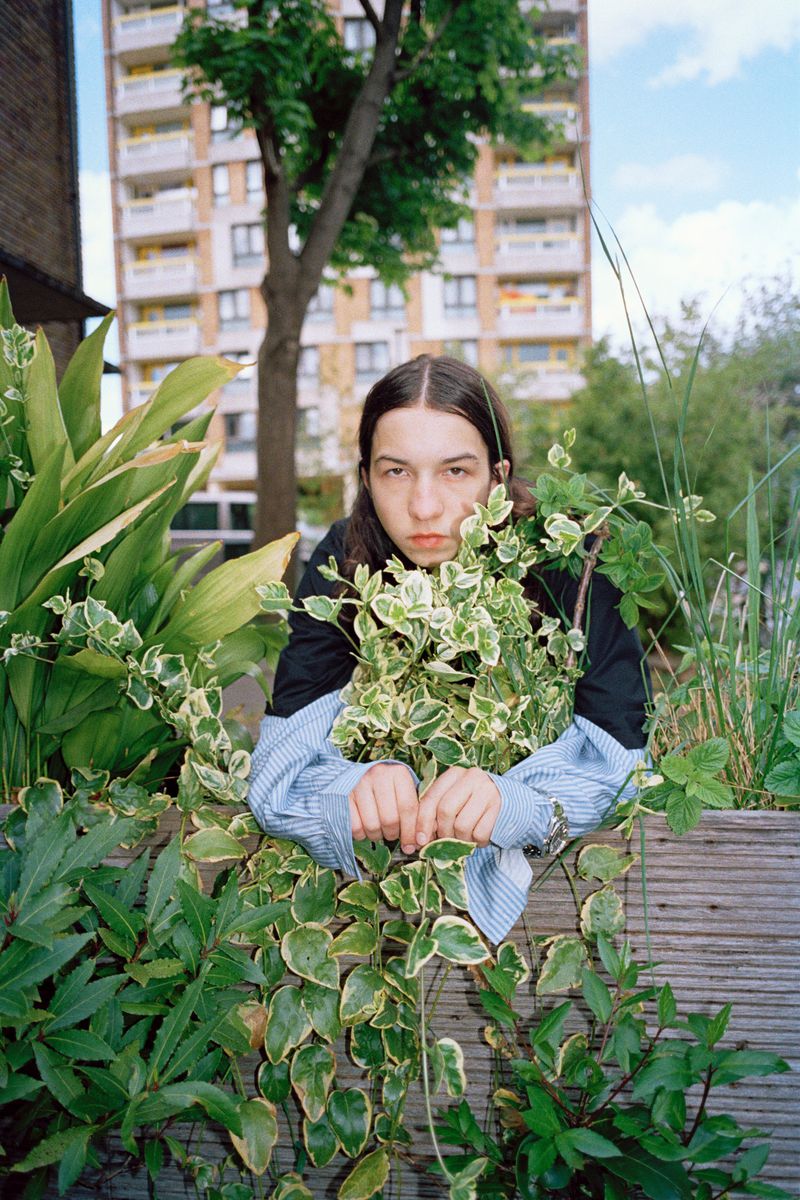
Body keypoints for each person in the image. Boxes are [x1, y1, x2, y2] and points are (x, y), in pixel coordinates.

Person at [248, 355, 650, 943]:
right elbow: (279, 770)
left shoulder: (572, 560)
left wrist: (515, 801)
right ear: (366, 476)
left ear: (498, 474)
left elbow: (621, 760)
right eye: (396, 472)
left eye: (456, 471)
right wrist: (352, 785)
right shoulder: (343, 562)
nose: (425, 506)